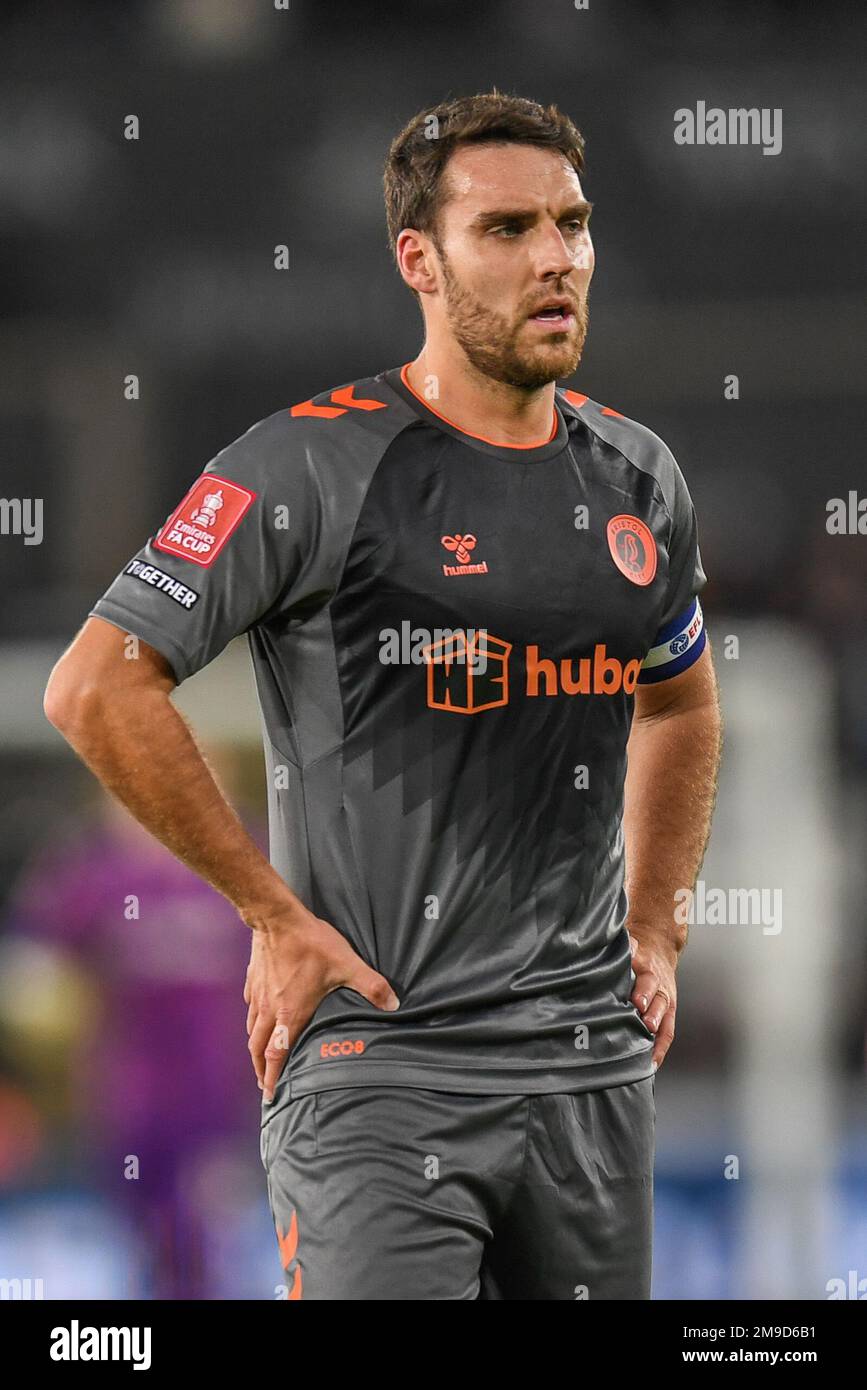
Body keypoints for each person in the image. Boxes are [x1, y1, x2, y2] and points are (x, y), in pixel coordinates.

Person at [44, 90, 722, 1300]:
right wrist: (270, 912)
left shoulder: (638, 477)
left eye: (572, 223)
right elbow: (98, 685)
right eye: (507, 229)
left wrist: (657, 926)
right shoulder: (307, 465)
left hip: (588, 1075)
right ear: (419, 258)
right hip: (378, 1067)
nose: (556, 257)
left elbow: (679, 702)